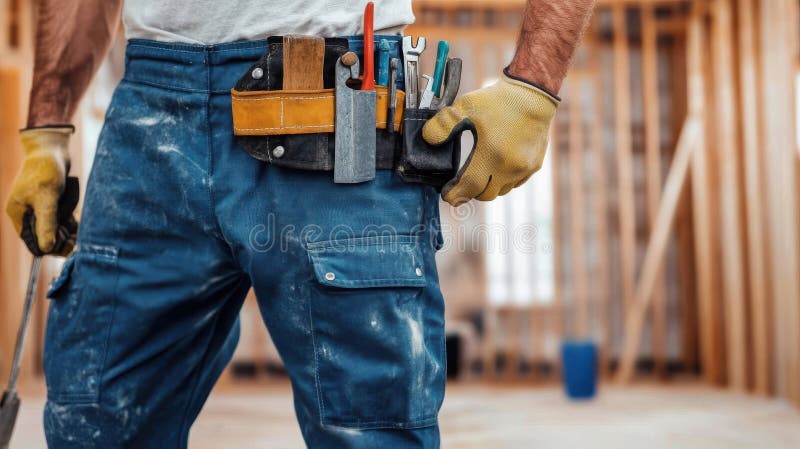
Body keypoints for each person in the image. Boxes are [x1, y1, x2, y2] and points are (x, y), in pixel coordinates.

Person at [5, 0, 595, 447]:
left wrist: (532, 86)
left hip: (340, 93)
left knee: (370, 427)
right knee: (96, 417)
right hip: (151, 106)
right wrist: (47, 127)